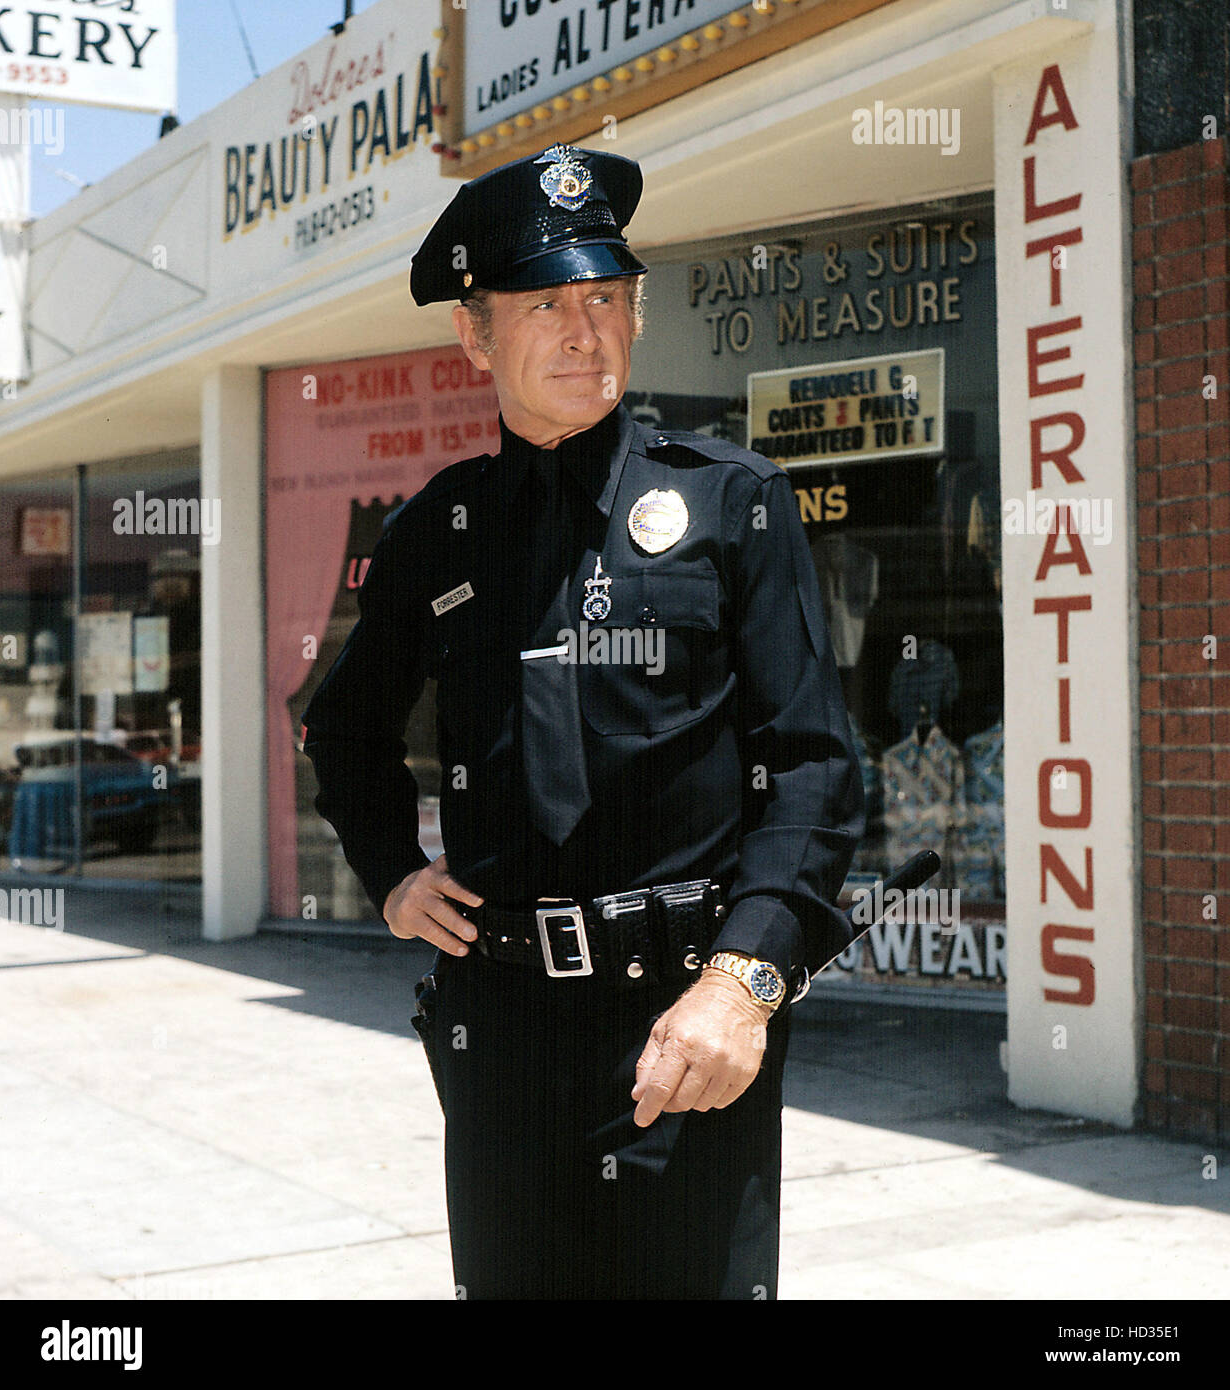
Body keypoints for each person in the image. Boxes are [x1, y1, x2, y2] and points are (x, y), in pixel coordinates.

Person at [301, 143, 864, 1300]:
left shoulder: (729, 502)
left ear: (638, 313)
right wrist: (393, 874)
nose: (581, 329)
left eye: (605, 297)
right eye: (545, 303)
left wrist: (742, 981)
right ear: (475, 336)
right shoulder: (434, 536)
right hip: (497, 1030)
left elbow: (814, 765)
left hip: (681, 1026)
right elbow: (343, 729)